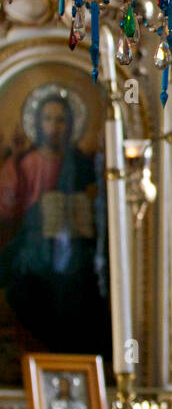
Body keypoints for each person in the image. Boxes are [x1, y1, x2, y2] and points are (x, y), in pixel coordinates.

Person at [0, 91, 111, 356]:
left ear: (71, 124)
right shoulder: (26, 163)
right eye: (48, 119)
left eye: (61, 120)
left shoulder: (82, 163)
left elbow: (102, 208)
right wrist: (12, 163)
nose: (54, 127)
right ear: (38, 123)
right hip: (34, 250)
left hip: (75, 252)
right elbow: (8, 209)